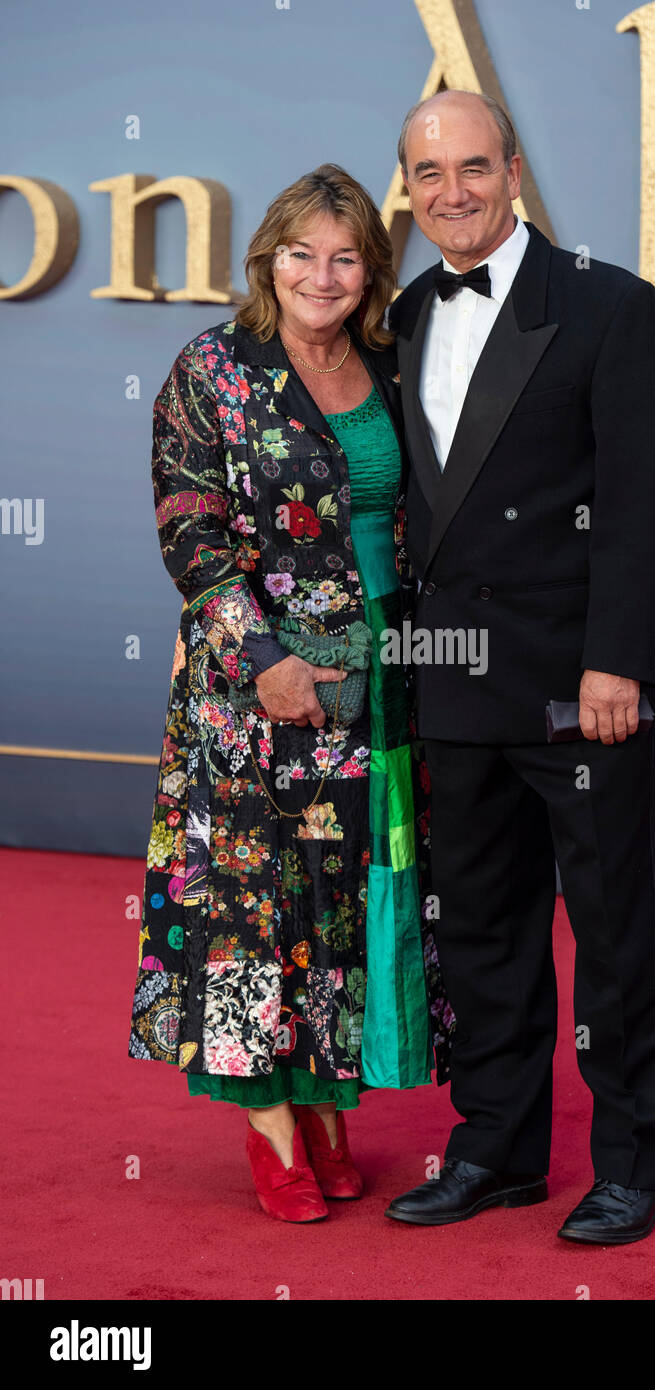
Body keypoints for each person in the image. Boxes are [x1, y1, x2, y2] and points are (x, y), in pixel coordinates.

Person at [384, 91, 655, 1244]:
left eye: (472, 166)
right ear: (406, 190)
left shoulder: (608, 304)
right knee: (482, 930)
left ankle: (632, 1166)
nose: (451, 192)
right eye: (427, 175)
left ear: (512, 170)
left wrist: (620, 663)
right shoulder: (400, 315)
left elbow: (643, 503)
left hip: (577, 687)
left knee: (613, 929)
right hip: (448, 675)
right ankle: (496, 1150)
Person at [129, 164, 451, 1223]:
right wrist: (263, 655)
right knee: (249, 910)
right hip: (252, 686)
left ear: (371, 270)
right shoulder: (212, 369)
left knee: (340, 903)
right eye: (302, 252)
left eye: (346, 255)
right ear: (268, 257)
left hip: (379, 679)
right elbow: (191, 531)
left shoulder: (392, 363)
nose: (323, 273)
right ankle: (271, 1131)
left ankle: (323, 1102)